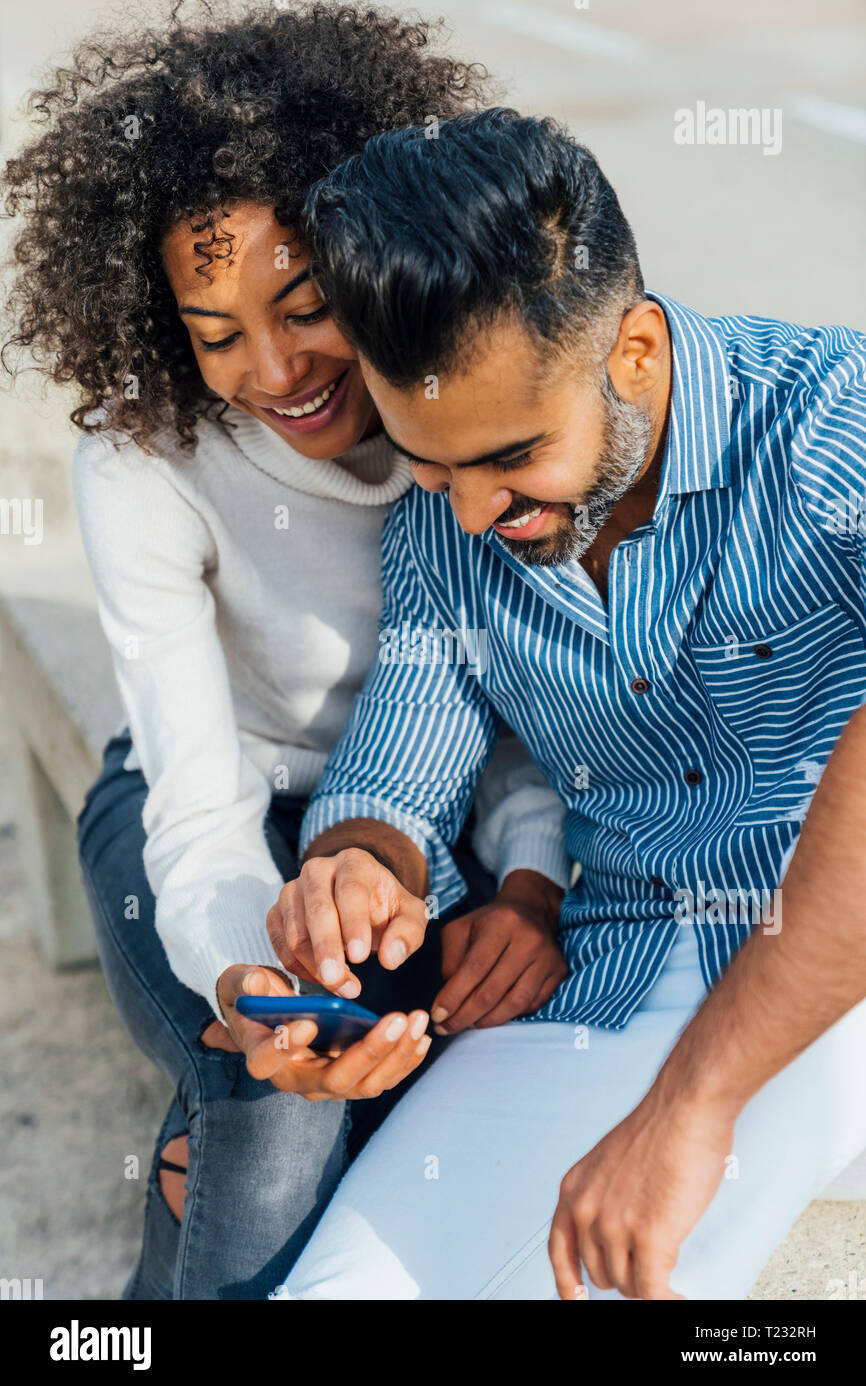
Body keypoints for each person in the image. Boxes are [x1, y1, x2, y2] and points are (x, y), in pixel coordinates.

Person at [1, 17, 572, 1300]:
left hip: (424, 837)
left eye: (306, 305)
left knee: (390, 1074)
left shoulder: (466, 409)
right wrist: (246, 975)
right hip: (190, 808)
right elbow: (198, 818)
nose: (273, 370)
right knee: (264, 1079)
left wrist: (530, 875)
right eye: (214, 333)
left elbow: (506, 695)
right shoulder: (145, 459)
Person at [265, 108, 866, 1300]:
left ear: (632, 351)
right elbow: (403, 756)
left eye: (510, 457)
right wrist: (353, 872)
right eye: (432, 464)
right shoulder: (443, 527)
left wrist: (692, 1107)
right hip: (608, 972)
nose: (473, 511)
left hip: (826, 974)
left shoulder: (827, 425)